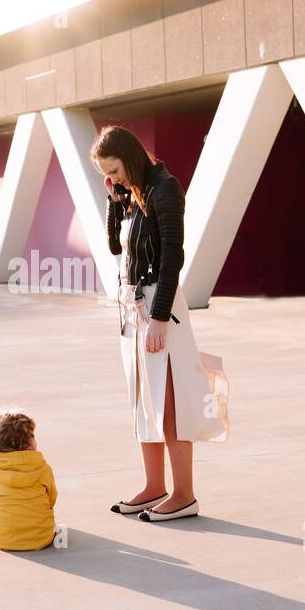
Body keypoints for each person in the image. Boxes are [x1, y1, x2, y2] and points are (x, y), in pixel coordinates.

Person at [91, 125, 228, 522]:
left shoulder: (165, 189)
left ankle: (184, 494)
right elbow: (116, 247)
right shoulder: (132, 193)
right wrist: (114, 199)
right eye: (106, 173)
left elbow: (172, 257)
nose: (112, 177)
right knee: (143, 403)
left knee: (170, 402)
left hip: (158, 308)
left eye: (114, 169)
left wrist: (159, 319)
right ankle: (154, 486)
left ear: (131, 157)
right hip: (132, 309)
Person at [0, 410, 59, 550]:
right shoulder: (43, 468)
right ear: (30, 445)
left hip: (3, 540)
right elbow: (52, 498)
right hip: (42, 537)